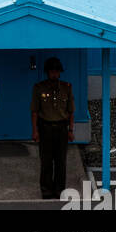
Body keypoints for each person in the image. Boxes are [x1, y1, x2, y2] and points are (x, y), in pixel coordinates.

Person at [31, 57, 75, 199]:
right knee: (46, 161)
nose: (54, 74)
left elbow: (70, 111)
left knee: (61, 161)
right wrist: (35, 131)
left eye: (57, 71)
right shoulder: (39, 88)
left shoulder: (67, 88)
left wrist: (71, 130)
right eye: (52, 72)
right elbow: (35, 112)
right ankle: (46, 190)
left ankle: (59, 189)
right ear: (47, 72)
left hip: (61, 128)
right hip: (45, 128)